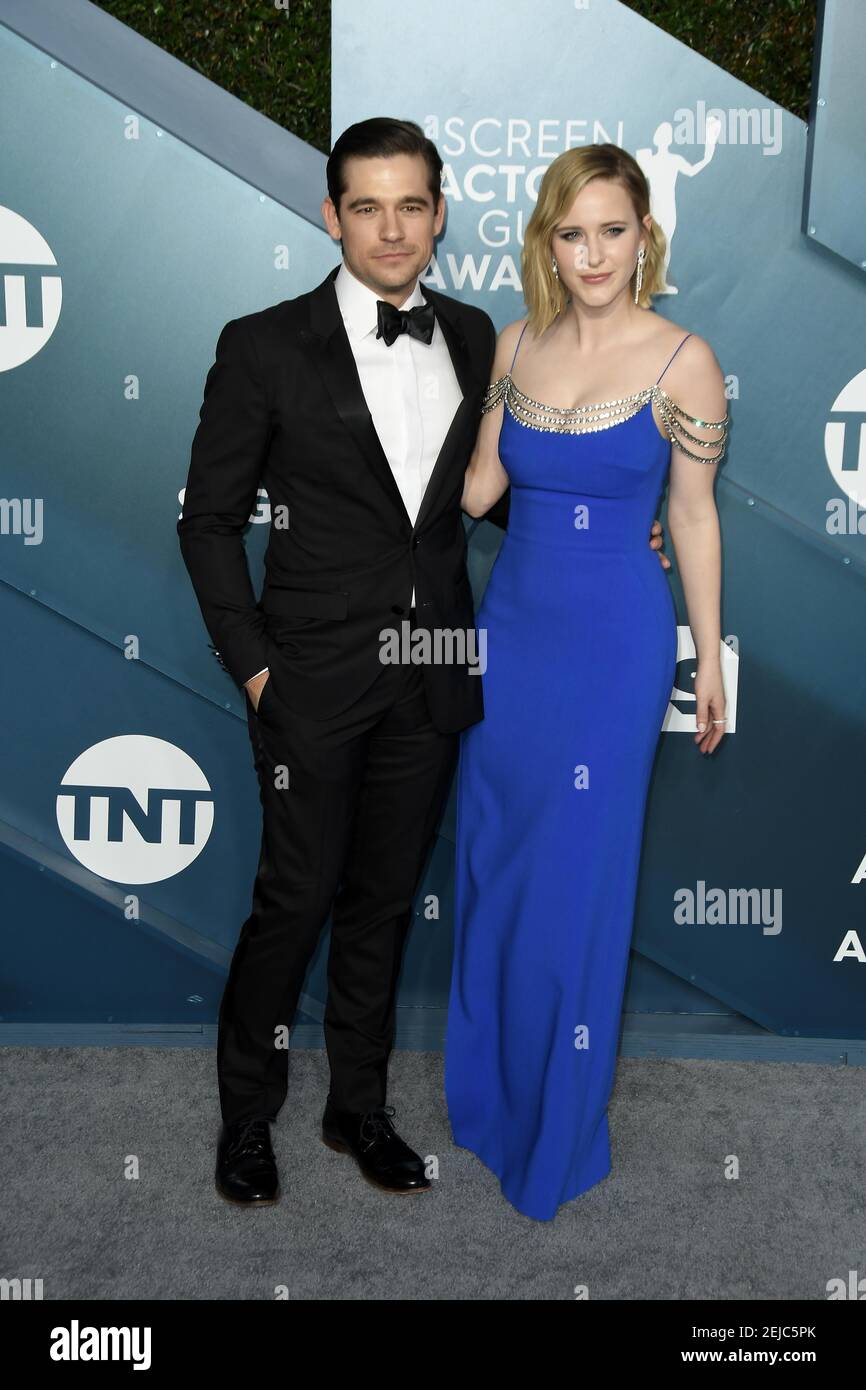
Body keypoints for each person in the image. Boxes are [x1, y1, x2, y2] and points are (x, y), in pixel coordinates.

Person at [178, 119, 668, 1207]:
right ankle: (247, 1119)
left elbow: (485, 492)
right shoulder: (261, 344)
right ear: (330, 216)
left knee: (386, 901)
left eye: (412, 205)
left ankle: (358, 1109)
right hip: (308, 671)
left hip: (440, 658)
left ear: (439, 214)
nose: (391, 228)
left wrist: (618, 522)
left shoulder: (478, 333)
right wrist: (255, 667)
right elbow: (207, 521)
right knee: (294, 900)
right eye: (366, 206)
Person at [446, 142, 729, 1222]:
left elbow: (692, 515)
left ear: (644, 235)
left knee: (573, 880)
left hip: (611, 645)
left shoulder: (682, 361)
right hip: (507, 638)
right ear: (546, 243)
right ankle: (485, 1098)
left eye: (612, 229)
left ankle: (555, 1129)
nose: (593, 252)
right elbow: (476, 491)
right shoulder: (512, 344)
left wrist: (703, 655)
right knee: (495, 864)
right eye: (572, 233)